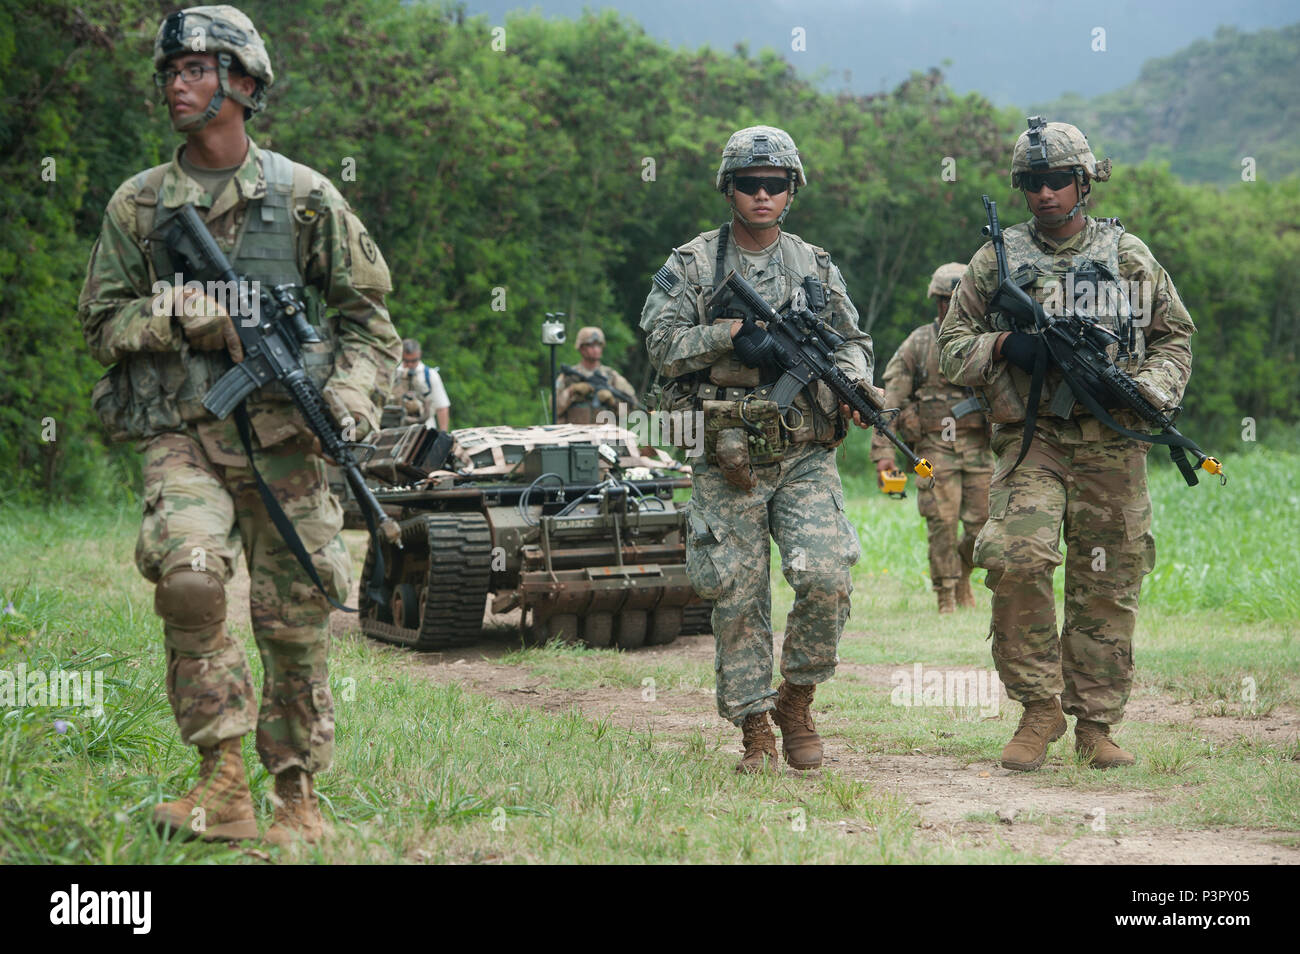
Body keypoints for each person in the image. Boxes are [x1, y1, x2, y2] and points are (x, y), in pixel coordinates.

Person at [78, 5, 401, 842]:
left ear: (243, 84)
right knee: (189, 579)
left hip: (290, 441)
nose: (176, 86)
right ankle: (222, 780)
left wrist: (352, 398)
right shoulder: (140, 207)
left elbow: (370, 324)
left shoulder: (304, 200)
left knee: (295, 618)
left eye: (195, 70)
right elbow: (99, 327)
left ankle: (294, 789)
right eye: (169, 73)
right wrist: (173, 315)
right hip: (185, 434)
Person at [938, 118, 1195, 771]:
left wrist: (1147, 392)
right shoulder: (997, 262)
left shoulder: (1127, 255)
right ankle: (1038, 707)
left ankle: (1097, 725)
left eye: (1058, 180)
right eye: (1033, 182)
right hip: (1036, 437)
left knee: (1107, 580)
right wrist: (1004, 345)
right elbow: (949, 349)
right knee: (1013, 557)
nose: (1046, 193)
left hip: (1111, 441)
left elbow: (1174, 339)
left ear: (1084, 182)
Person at [640, 125, 872, 774]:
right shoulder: (691, 264)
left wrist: (856, 383)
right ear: (729, 189)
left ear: (792, 190)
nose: (762, 195)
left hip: (803, 454)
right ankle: (755, 730)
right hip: (727, 456)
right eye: (750, 184)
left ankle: (797, 699)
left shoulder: (816, 266)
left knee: (825, 575)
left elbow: (852, 341)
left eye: (775, 184)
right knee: (737, 595)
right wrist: (728, 335)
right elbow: (659, 345)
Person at [872, 263, 992, 614]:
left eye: (958, 299)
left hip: (979, 449)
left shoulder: (985, 341)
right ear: (937, 302)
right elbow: (891, 399)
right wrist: (884, 453)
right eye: (945, 300)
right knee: (941, 521)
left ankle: (962, 571)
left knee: (983, 527)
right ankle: (946, 595)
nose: (951, 306)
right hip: (930, 454)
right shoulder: (919, 343)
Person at [554, 326, 637, 425]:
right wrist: (572, 391)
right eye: (591, 345)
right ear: (581, 348)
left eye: (599, 345)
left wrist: (612, 401)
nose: (596, 349)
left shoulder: (612, 377)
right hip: (573, 434)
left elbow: (631, 409)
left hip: (605, 436)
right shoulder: (569, 376)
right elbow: (554, 407)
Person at [393, 338, 451, 429]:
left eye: (414, 361)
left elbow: (442, 407)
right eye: (407, 361)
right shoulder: (394, 374)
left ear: (419, 355)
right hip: (397, 427)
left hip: (425, 428)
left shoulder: (430, 375)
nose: (410, 364)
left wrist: (443, 434)